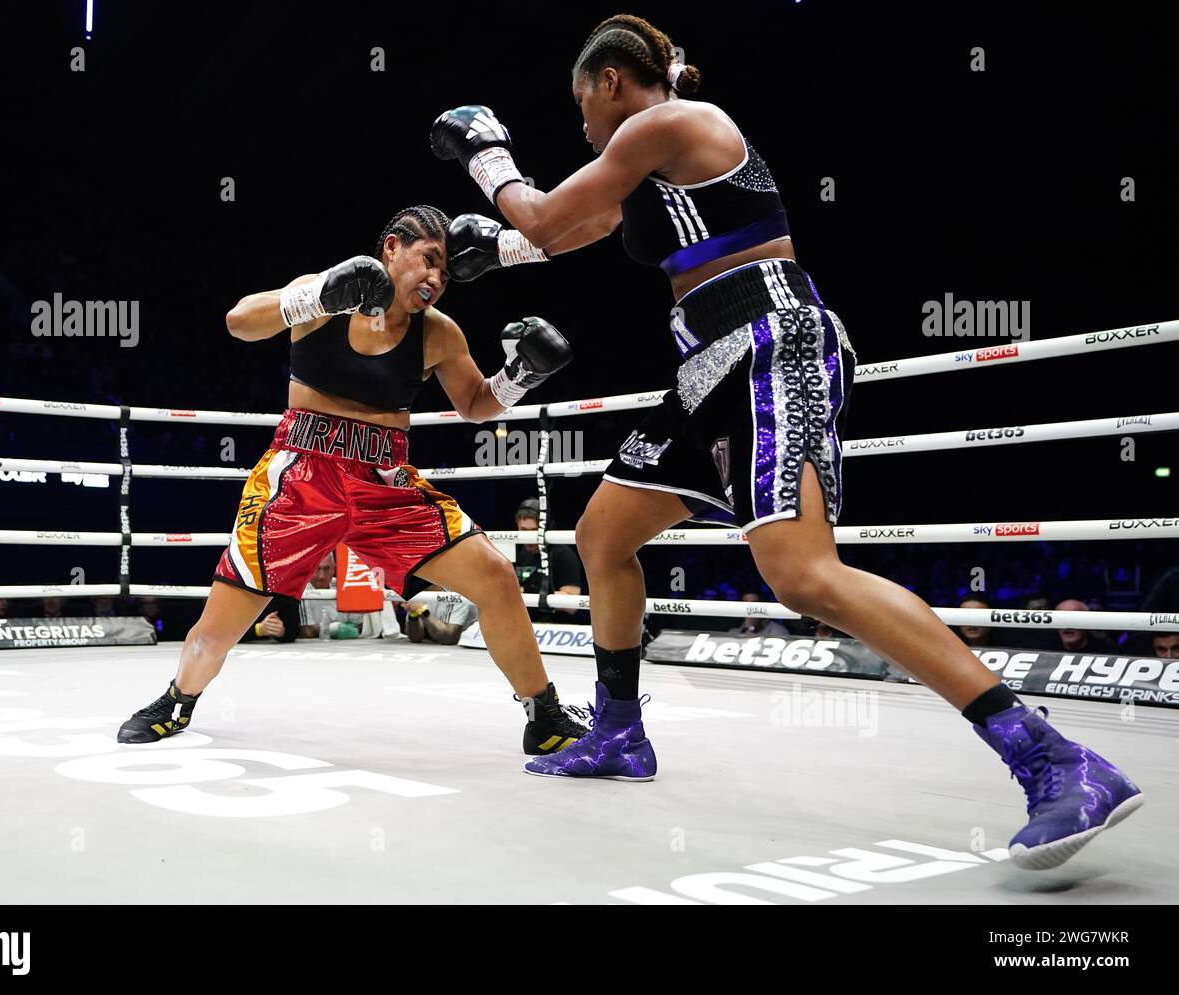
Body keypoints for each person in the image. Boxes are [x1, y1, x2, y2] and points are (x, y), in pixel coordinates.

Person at [430, 14, 1142, 868]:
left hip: (768, 342)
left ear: (612, 82)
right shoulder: (656, 167)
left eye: (582, 106)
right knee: (602, 534)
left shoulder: (672, 122)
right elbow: (571, 230)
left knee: (804, 574)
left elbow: (546, 217)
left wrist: (487, 154)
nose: (582, 126)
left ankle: (1056, 758)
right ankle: (619, 732)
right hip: (709, 367)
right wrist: (502, 252)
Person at [117, 206, 587, 757]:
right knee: (223, 623)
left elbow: (477, 405)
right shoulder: (322, 297)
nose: (436, 278)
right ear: (392, 247)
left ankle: (544, 714)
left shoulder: (438, 333)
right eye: (428, 260)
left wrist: (520, 376)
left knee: (496, 575)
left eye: (446, 272)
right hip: (301, 476)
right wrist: (316, 296)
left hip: (386, 481)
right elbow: (239, 321)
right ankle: (178, 699)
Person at [511, 497, 584, 623]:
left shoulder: (563, 554)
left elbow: (571, 605)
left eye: (534, 531)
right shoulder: (521, 553)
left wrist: (528, 591)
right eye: (523, 530)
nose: (529, 537)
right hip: (525, 624)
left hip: (557, 627)